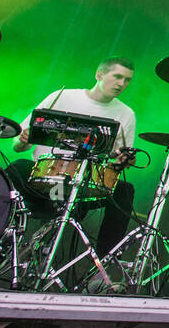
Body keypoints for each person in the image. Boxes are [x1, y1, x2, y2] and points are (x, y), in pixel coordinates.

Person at [10, 56, 138, 260]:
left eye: (127, 80)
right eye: (117, 77)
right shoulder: (62, 97)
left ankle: (104, 264)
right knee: (15, 168)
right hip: (43, 177)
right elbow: (18, 145)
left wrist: (122, 162)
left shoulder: (126, 114)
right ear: (99, 75)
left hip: (84, 184)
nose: (122, 84)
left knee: (124, 190)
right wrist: (23, 139)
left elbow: (116, 165)